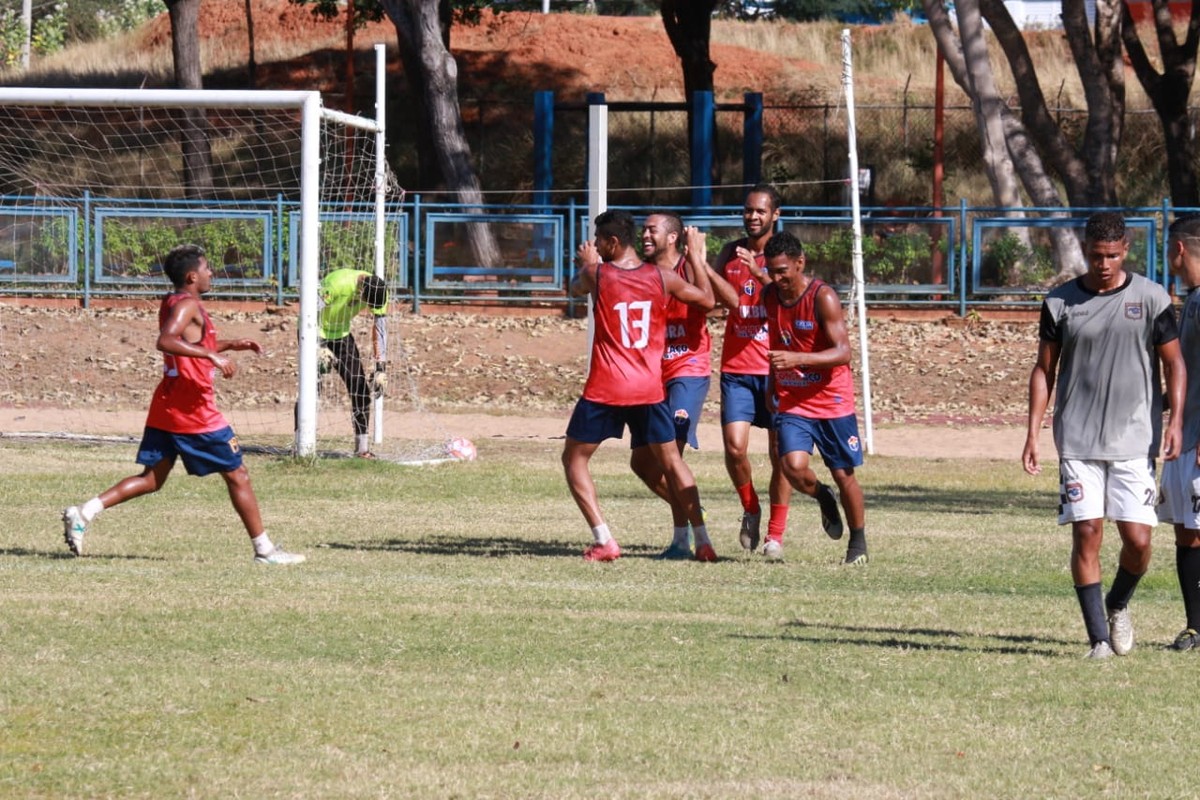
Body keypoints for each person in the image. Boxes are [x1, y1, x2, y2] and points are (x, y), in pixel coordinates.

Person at [61, 244, 304, 565]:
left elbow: (188, 341)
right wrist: (212, 356)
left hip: (167, 405)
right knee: (238, 474)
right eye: (207, 269)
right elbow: (166, 340)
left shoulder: (174, 300)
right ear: (192, 276)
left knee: (152, 479)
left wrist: (232, 344)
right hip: (194, 411)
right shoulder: (187, 305)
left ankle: (84, 512)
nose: (211, 273)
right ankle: (265, 551)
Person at [1022, 211, 1184, 659]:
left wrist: (1177, 422)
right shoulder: (1059, 303)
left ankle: (1118, 604)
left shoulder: (1152, 299)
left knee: (1139, 540)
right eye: (1096, 256)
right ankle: (1098, 640)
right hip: (1077, 437)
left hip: (1136, 438)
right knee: (1088, 531)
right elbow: (1044, 370)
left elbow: (1175, 365)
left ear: (1126, 250)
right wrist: (1033, 432)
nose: (1104, 264)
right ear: (1085, 251)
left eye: (1112, 256)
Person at [563, 209, 717, 562]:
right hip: (650, 389)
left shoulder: (597, 273)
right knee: (672, 461)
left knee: (574, 459)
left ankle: (605, 540)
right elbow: (707, 301)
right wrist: (697, 258)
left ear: (613, 242)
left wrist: (586, 264)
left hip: (607, 388)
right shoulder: (661, 277)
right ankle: (704, 541)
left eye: (600, 241)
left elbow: (573, 288)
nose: (595, 247)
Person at [707, 184, 837, 554]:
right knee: (734, 448)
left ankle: (775, 535)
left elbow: (788, 297)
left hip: (777, 368)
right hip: (736, 367)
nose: (752, 216)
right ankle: (750, 508)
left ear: (775, 215)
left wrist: (760, 274)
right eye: (748, 210)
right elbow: (719, 298)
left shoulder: (784, 255)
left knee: (780, 453)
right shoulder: (730, 252)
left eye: (760, 211)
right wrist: (704, 268)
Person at [762, 231, 867, 563]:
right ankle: (823, 497)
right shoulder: (769, 297)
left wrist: (799, 359)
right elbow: (776, 347)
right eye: (771, 271)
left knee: (843, 473)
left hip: (832, 399)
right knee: (792, 466)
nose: (777, 278)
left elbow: (844, 352)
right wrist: (771, 385)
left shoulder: (823, 297)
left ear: (799, 263)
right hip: (794, 399)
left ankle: (858, 544)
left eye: (783, 271)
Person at [628, 212, 715, 559]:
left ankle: (690, 540)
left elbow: (712, 302)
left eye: (652, 230)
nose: (645, 235)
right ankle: (694, 511)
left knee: (671, 453)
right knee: (642, 464)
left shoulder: (688, 268)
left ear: (673, 237)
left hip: (688, 371)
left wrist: (698, 257)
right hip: (650, 376)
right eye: (643, 230)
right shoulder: (643, 273)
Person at [1160, 214, 1200, 651]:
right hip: (1184, 435)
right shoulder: (1192, 299)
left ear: (1180, 249)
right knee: (1187, 531)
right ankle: (1195, 625)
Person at [317, 268, 389, 458]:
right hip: (314, 334)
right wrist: (318, 347)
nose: (367, 307)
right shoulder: (336, 284)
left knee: (360, 388)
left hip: (341, 336)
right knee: (312, 391)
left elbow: (380, 327)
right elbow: (308, 313)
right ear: (361, 292)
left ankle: (362, 450)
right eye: (367, 303)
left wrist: (381, 366)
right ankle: (300, 445)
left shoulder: (379, 290)